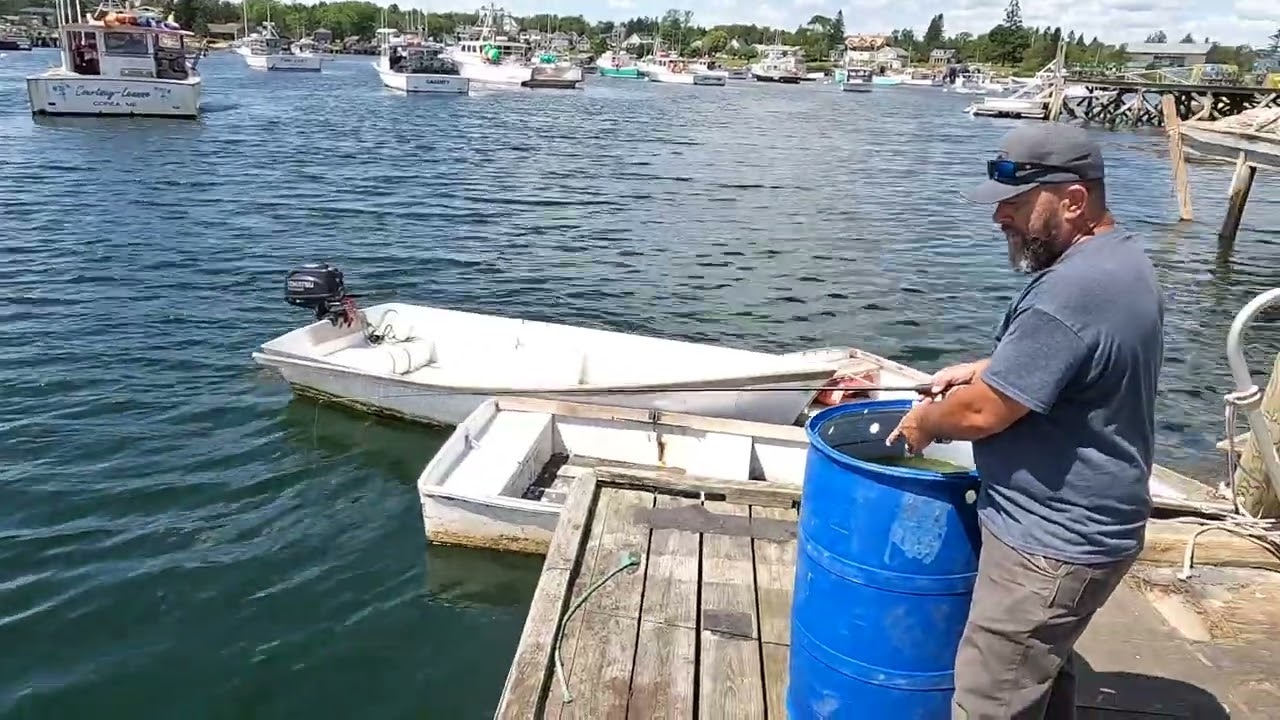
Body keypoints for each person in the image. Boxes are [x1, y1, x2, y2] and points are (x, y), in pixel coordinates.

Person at [886, 124, 1165, 719]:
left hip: (1050, 544)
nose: (999, 220)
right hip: (1098, 525)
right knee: (1039, 678)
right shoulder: (1122, 261)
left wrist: (925, 423)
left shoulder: (1068, 292)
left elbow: (985, 412)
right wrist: (990, 365)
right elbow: (1085, 352)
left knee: (991, 698)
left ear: (1072, 201)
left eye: (1013, 205)